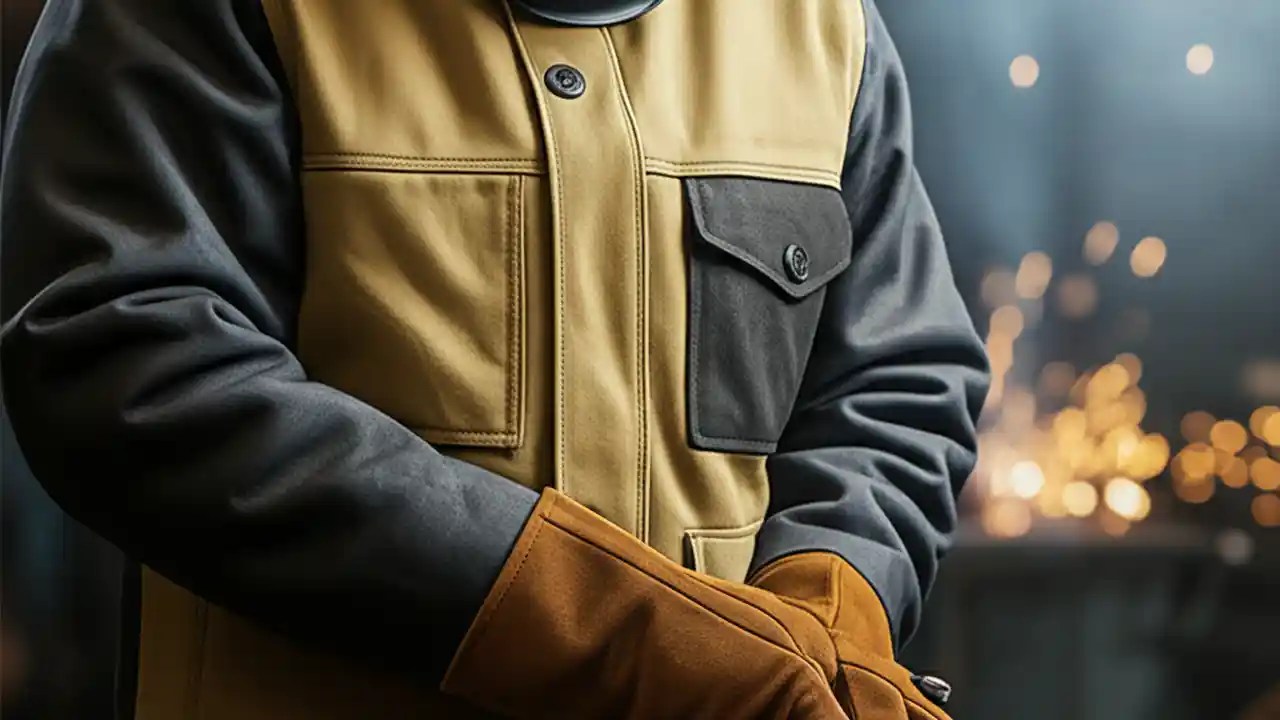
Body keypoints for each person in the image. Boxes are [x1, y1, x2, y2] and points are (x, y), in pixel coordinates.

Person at [0, 0, 989, 717]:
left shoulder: (820, 25)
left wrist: (830, 592)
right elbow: (128, 356)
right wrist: (614, 633)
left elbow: (893, 375)